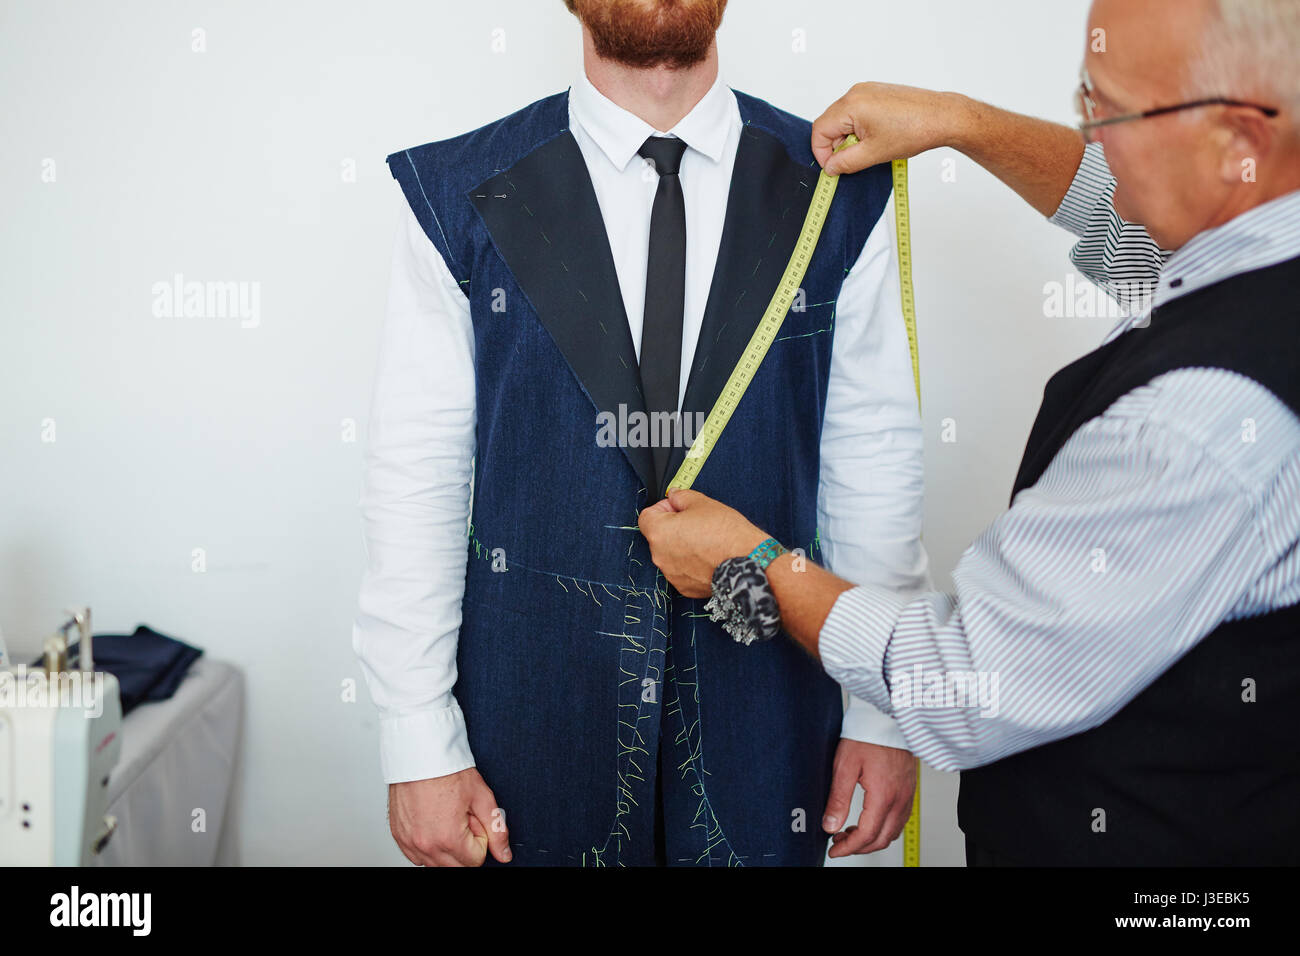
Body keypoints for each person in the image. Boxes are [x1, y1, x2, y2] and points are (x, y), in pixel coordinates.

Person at [640, 0, 1300, 865]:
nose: (1088, 134)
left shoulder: (1204, 418)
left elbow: (964, 683)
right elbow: (1134, 229)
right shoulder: (1255, 247)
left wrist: (756, 564)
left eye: (1110, 110)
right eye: (1084, 98)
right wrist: (964, 123)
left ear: (1239, 137)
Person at [352, 0, 929, 866]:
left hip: (770, 714)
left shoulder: (839, 190)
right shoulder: (457, 192)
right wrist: (414, 735)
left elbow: (873, 454)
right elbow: (417, 472)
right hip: (531, 719)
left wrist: (885, 711)